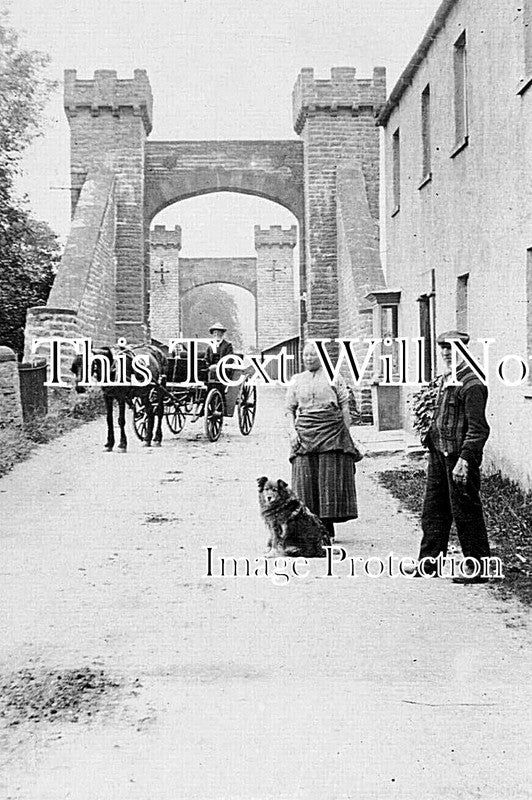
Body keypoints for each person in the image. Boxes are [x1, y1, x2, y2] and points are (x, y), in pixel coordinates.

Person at [416, 330, 491, 583]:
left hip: (459, 459)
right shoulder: (449, 379)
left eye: (453, 348)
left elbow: (478, 429)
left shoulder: (473, 383)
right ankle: (429, 563)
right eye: (444, 348)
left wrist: (465, 460)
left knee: (465, 511)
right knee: (433, 510)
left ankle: (478, 568)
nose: (447, 353)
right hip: (439, 454)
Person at [285, 341, 359, 540]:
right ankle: (309, 528)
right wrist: (293, 432)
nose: (309, 358)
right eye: (306, 355)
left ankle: (327, 528)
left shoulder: (334, 376)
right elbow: (289, 409)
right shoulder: (297, 380)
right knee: (305, 478)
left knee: (329, 479)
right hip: (305, 432)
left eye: (313, 355)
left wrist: (345, 431)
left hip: (331, 431)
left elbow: (344, 404)